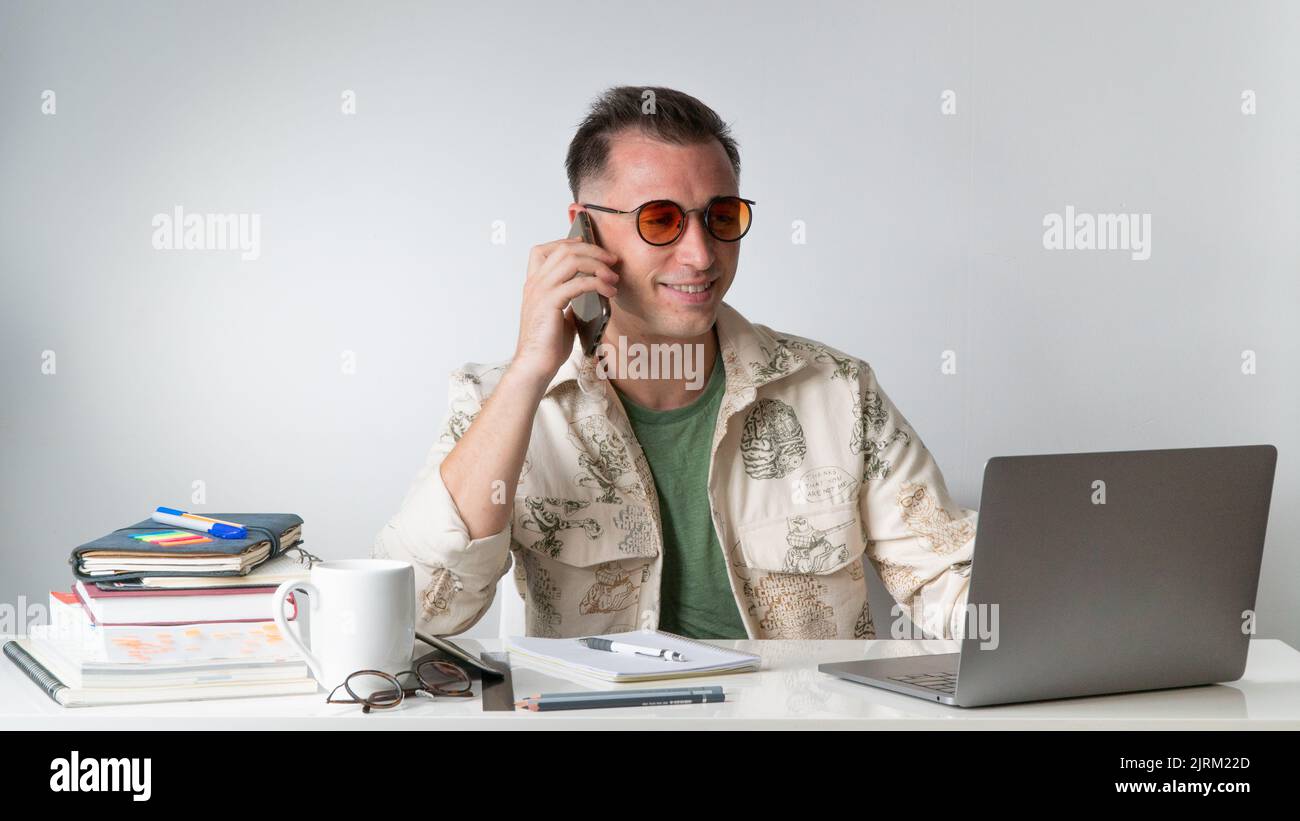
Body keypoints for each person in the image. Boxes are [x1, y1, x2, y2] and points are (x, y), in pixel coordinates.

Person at [372, 86, 977, 640]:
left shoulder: (838, 392)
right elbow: (422, 609)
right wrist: (531, 369)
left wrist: (1043, 620)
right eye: (659, 219)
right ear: (583, 229)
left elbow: (949, 582)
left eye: (720, 217)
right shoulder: (502, 404)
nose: (700, 254)